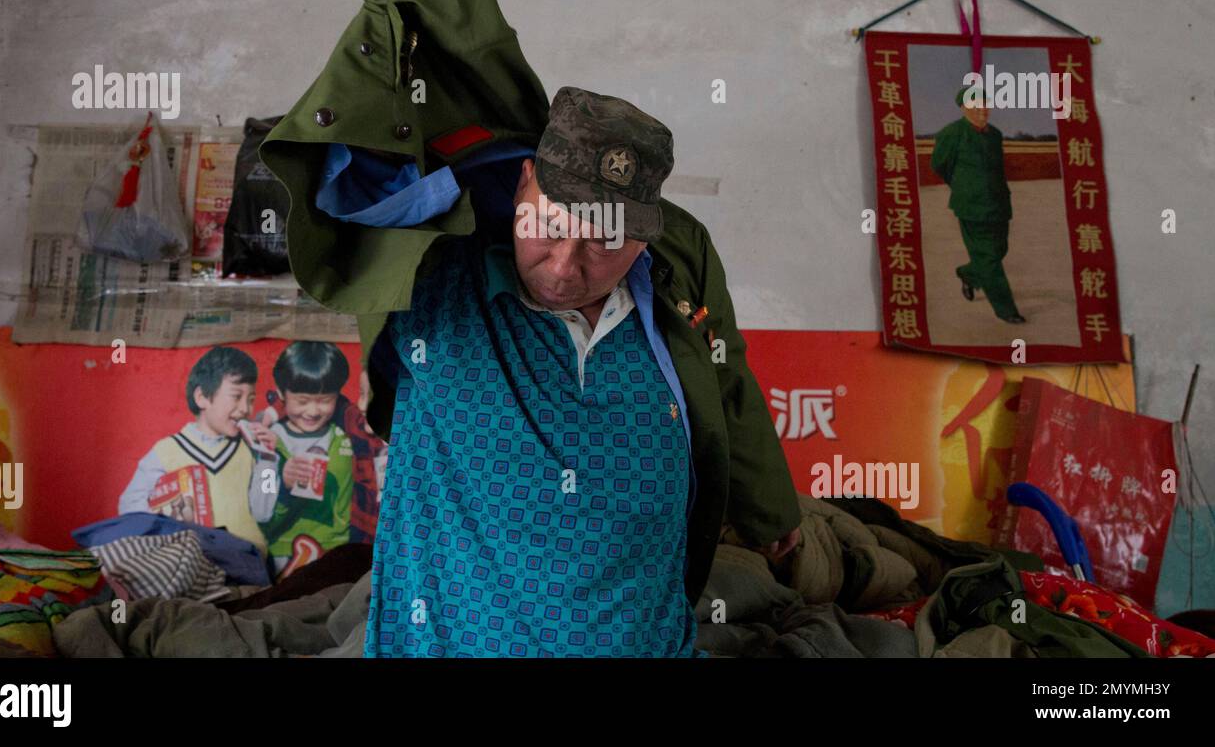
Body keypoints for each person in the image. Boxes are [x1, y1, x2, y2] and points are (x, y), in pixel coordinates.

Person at [359, 88, 801, 657]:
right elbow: (358, 136)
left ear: (645, 235)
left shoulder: (678, 273)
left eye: (604, 240)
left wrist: (769, 507)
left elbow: (725, 374)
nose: (566, 265)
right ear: (522, 184)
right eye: (548, 224)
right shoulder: (437, 280)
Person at [118, 346, 276, 552]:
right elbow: (129, 505)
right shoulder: (167, 451)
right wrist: (166, 524)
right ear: (202, 397)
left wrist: (268, 460)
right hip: (190, 556)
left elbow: (264, 512)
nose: (245, 409)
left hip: (245, 557)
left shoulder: (251, 451)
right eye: (236, 396)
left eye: (251, 399)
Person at [257, 341, 387, 577]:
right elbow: (261, 509)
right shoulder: (270, 444)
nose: (313, 411)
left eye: (325, 401)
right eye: (303, 402)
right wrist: (280, 483)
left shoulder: (347, 433)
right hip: (289, 553)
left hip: (359, 551)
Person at [931, 85, 1025, 324]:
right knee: (989, 259)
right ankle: (1007, 310)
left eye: (985, 104)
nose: (982, 110)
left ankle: (968, 274)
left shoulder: (995, 134)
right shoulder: (951, 134)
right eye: (975, 106)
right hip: (972, 207)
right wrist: (964, 187)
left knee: (998, 250)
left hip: (999, 204)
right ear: (964, 108)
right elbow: (940, 165)